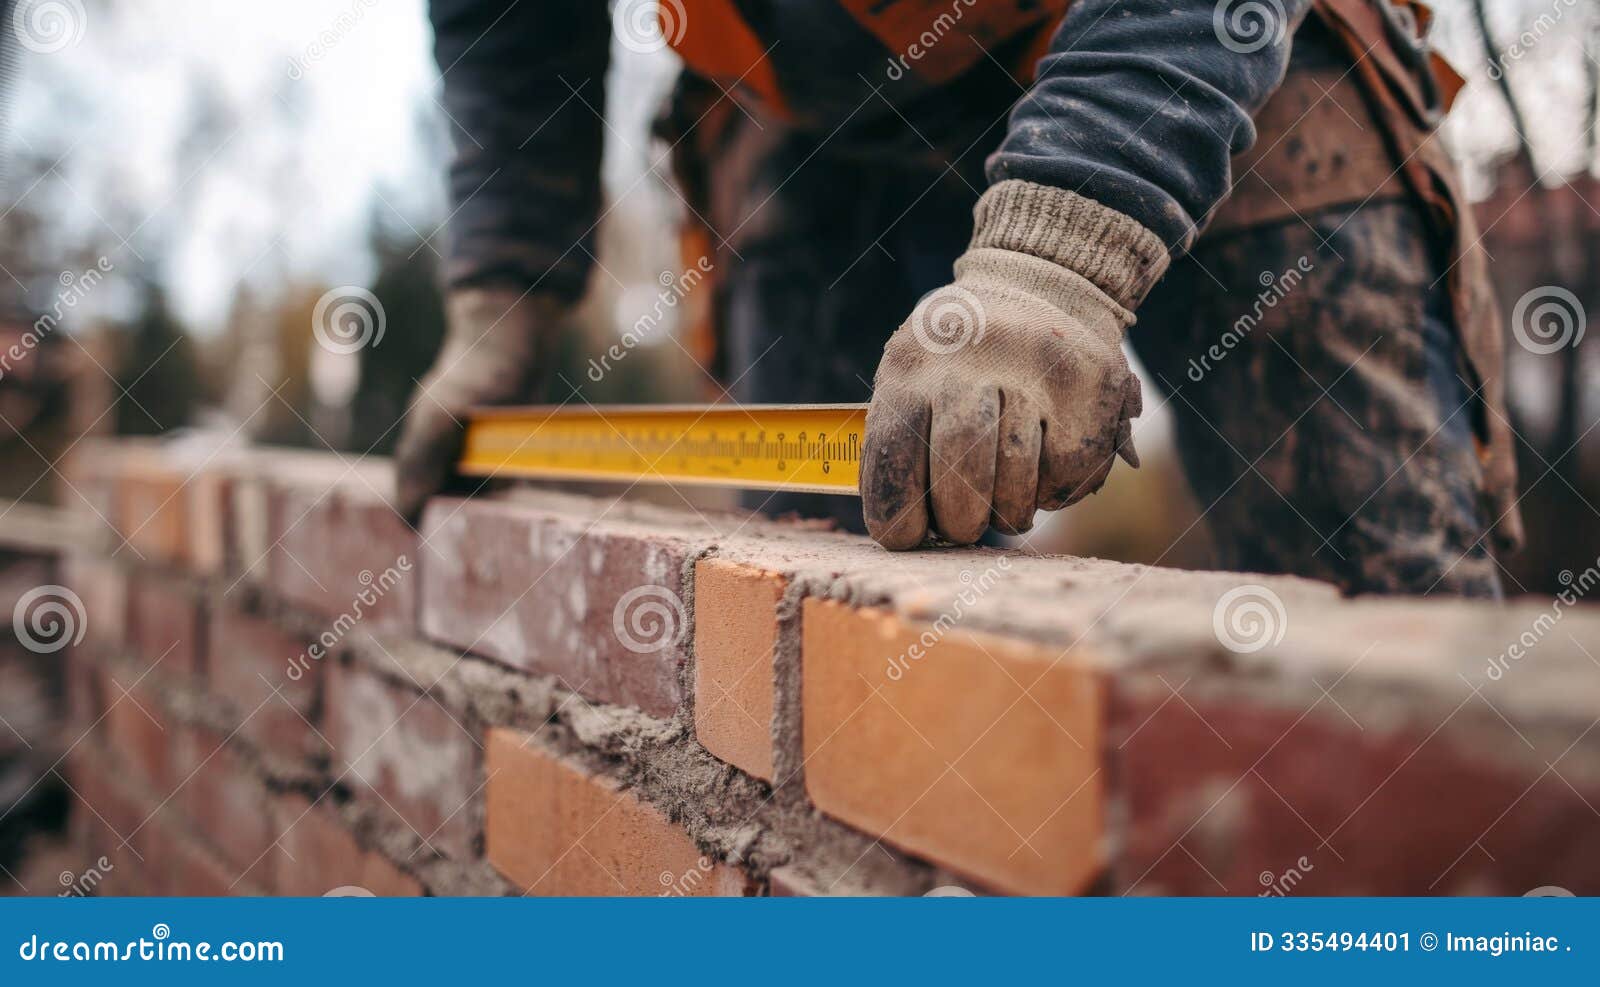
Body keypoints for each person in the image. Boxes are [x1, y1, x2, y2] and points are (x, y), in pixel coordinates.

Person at [395, 0, 1521, 598]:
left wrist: (1058, 256)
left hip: (1196, 41)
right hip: (818, 120)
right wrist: (505, 293)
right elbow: (507, 21)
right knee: (810, 627)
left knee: (1383, 653)